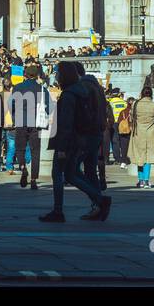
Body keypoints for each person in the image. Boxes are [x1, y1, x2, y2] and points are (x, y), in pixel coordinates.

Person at [39, 62, 108, 222]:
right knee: (75, 173)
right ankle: (98, 201)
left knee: (61, 173)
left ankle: (60, 210)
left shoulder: (71, 93)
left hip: (72, 140)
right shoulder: (90, 89)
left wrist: (62, 146)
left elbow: (66, 123)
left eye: (57, 73)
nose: (55, 76)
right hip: (87, 136)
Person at [10, 68, 48, 190]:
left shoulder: (17, 87)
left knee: (20, 148)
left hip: (21, 122)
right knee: (35, 152)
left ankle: (22, 167)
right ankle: (33, 180)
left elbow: (12, 105)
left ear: (25, 74)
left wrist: (15, 117)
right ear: (37, 75)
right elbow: (49, 106)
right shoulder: (42, 88)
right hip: (36, 123)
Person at [129, 87, 154, 189]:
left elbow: (131, 116)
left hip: (138, 133)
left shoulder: (135, 104)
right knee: (148, 156)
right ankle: (147, 181)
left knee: (139, 156)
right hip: (150, 133)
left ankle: (140, 180)